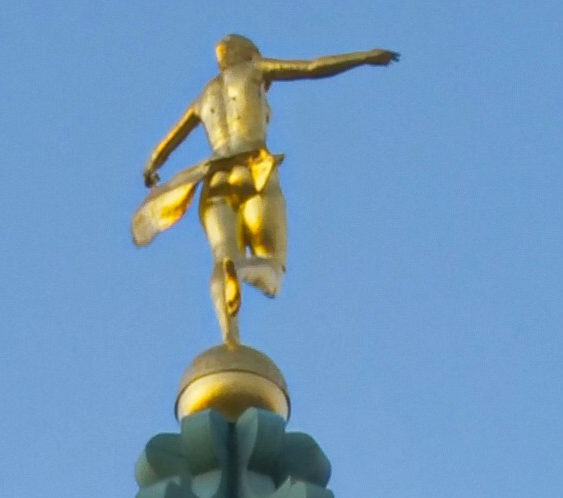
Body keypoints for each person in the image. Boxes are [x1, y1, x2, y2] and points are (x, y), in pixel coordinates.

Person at [131, 35, 398, 354]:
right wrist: (364, 56)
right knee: (273, 268)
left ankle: (230, 338)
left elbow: (168, 141)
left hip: (213, 179)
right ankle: (243, 270)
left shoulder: (203, 97)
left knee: (220, 258)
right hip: (254, 171)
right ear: (246, 55)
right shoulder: (253, 70)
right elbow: (311, 68)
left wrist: (152, 165)